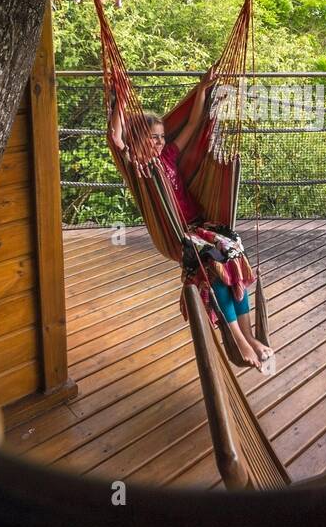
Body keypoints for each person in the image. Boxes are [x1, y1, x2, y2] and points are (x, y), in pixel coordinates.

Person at [109, 71, 272, 369]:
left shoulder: (169, 155)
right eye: (153, 137)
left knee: (232, 252)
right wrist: (118, 103)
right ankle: (236, 336)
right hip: (179, 233)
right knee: (212, 265)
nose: (159, 142)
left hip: (202, 224)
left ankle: (249, 336)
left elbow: (195, 123)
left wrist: (202, 87)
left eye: (161, 136)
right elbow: (115, 137)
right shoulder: (137, 167)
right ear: (138, 139)